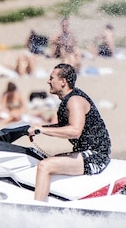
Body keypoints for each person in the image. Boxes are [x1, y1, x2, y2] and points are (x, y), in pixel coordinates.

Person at [28, 63, 111, 202]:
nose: (48, 81)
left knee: (45, 165)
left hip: (96, 156)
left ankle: (37, 207)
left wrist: (41, 129)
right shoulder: (67, 100)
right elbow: (62, 127)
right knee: (43, 158)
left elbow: (74, 131)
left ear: (63, 81)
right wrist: (39, 128)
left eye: (51, 78)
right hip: (84, 152)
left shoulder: (75, 101)